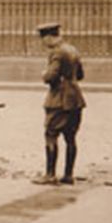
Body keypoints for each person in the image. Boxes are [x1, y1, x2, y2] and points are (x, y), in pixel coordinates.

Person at [34, 22, 85, 185]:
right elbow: (81, 75)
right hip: (76, 98)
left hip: (59, 99)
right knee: (70, 138)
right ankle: (68, 175)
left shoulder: (57, 53)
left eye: (43, 39)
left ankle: (50, 174)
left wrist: (44, 74)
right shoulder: (72, 49)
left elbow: (51, 77)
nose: (43, 43)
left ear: (49, 37)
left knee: (50, 134)